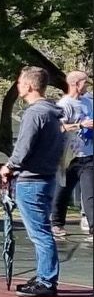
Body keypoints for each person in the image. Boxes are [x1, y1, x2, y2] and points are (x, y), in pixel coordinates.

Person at [0, 66, 66, 297]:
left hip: (32, 181)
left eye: (20, 82)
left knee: (40, 233)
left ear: (28, 85)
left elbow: (23, 147)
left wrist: (9, 166)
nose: (18, 86)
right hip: (46, 178)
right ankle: (43, 275)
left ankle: (47, 280)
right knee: (41, 230)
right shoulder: (52, 113)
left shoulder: (35, 113)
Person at [51, 71, 94, 240]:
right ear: (76, 84)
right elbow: (59, 128)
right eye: (85, 82)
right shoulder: (64, 104)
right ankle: (57, 223)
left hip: (88, 155)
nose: (87, 85)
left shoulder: (88, 102)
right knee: (63, 190)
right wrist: (81, 125)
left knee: (90, 193)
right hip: (69, 157)